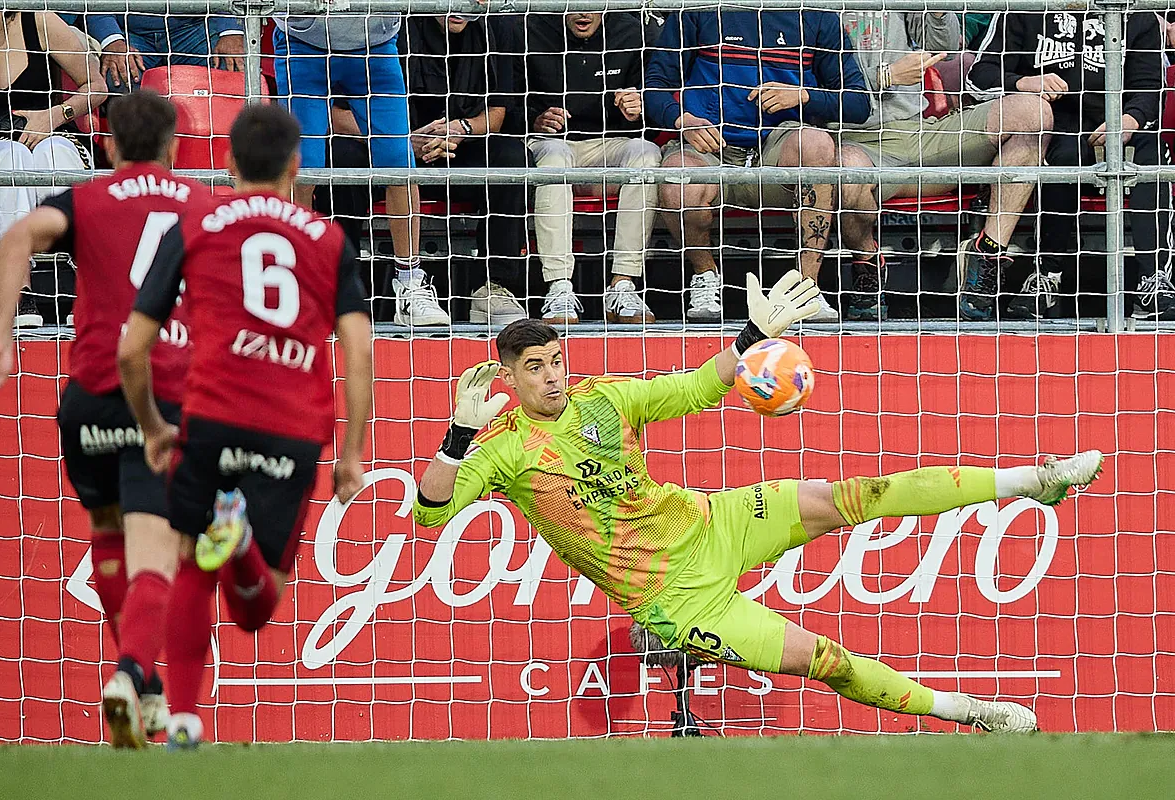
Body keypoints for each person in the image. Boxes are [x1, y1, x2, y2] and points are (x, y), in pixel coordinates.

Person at [414, 280, 1103, 732]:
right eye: (535, 367)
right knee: (824, 660)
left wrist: (747, 339)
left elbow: (691, 390)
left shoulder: (603, 397)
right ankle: (969, 711)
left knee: (856, 496)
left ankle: (1034, 479)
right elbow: (430, 513)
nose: (553, 375)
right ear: (507, 375)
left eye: (557, 359)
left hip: (713, 521)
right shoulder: (500, 450)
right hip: (680, 602)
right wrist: (456, 440)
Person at [117, 104, 373, 749]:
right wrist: (351, 452)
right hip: (293, 427)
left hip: (212, 414)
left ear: (227, 162)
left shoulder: (196, 225)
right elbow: (360, 350)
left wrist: (152, 425)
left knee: (187, 563)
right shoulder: (330, 239)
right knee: (258, 609)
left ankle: (182, 716)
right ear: (295, 165)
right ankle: (243, 548)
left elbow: (132, 348)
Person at [0, 91, 212, 748]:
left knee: (109, 537)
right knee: (159, 558)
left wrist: (0, 336)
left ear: (106, 145)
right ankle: (131, 673)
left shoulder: (86, 199)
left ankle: (149, 692)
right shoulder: (201, 207)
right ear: (173, 147)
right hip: (159, 400)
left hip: (85, 401)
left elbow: (19, 235)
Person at [645, 10, 870, 322]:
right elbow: (654, 86)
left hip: (778, 149)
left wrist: (803, 95)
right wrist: (683, 120)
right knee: (677, 175)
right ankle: (705, 277)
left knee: (818, 145)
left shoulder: (817, 15)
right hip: (711, 146)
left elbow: (859, 103)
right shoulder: (698, 9)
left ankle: (806, 288)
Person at [837, 11, 1052, 321]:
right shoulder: (812, 10)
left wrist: (936, 10)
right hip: (854, 140)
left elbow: (947, 48)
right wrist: (885, 76)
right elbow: (807, 82)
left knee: (1033, 113)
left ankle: (987, 252)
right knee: (844, 172)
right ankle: (867, 266)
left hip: (920, 130)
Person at [968, 10, 1173, 320]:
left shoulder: (1139, 13)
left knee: (1153, 155)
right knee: (1062, 154)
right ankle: (1046, 276)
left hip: (1122, 124)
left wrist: (1129, 119)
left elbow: (1150, 90)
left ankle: (1154, 281)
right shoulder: (1026, 7)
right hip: (1056, 121)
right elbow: (978, 76)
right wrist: (1023, 82)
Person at [273, 13, 442, 327]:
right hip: (303, 41)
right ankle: (294, 283)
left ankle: (409, 284)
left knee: (399, 165)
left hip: (375, 44)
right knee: (301, 166)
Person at [525, 11, 660, 325]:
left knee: (647, 153)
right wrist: (535, 118)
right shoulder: (530, 28)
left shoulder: (634, 30)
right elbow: (508, 100)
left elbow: (658, 101)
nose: (583, 11)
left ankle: (623, 285)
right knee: (555, 159)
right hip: (551, 142)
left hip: (611, 142)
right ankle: (558, 287)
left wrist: (639, 108)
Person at [0, 9, 107, 327]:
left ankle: (92, 289)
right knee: (11, 157)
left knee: (55, 155)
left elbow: (96, 86)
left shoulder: (39, 21)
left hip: (51, 137)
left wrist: (54, 115)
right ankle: (20, 290)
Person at [402, 13, 530, 326]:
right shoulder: (397, 25)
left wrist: (461, 129)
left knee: (512, 156)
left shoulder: (496, 28)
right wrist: (406, 141)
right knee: (347, 155)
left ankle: (494, 288)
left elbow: (497, 113)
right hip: (400, 146)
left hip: (463, 146)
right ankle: (391, 287)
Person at [85, 13, 245, 92]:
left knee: (232, 66)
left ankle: (228, 149)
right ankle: (139, 153)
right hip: (129, 33)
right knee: (118, 76)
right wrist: (111, 40)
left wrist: (231, 30)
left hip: (193, 28)